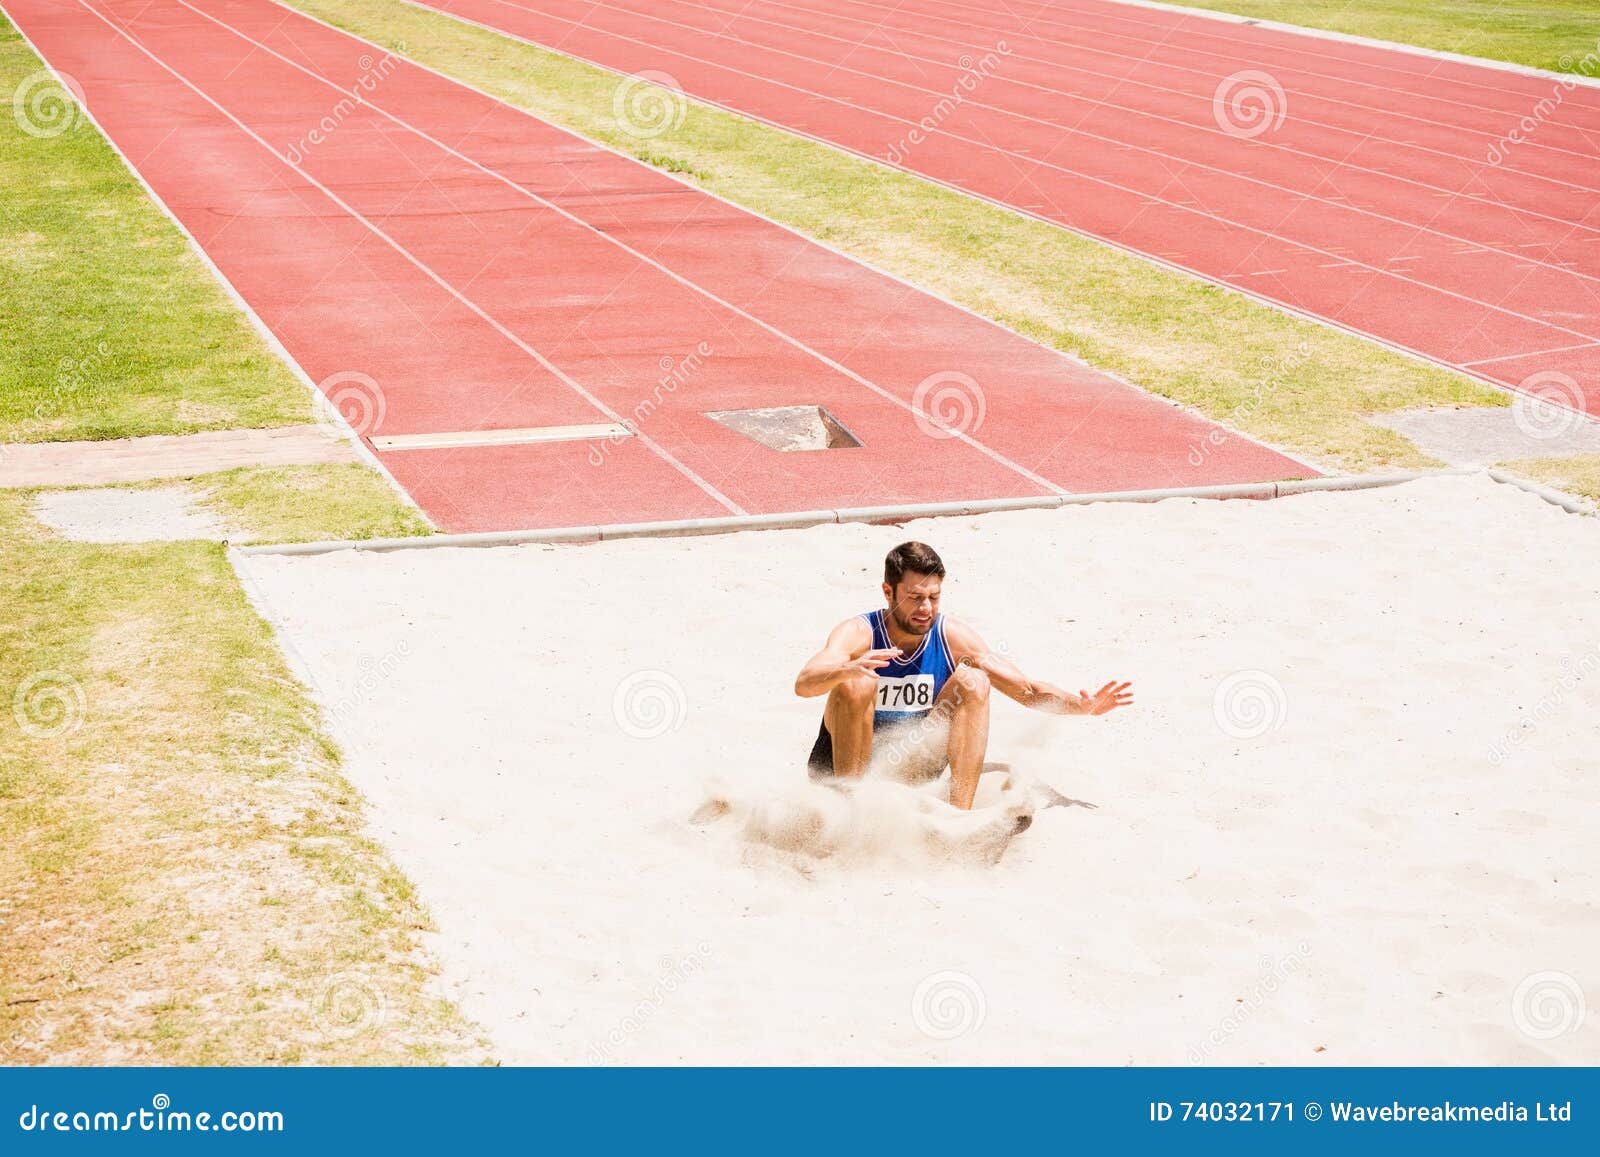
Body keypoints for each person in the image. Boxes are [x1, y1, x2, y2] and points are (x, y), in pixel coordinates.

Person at [794, 541, 1132, 809]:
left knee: (975, 679)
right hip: (843, 770)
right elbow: (804, 683)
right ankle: (851, 813)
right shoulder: (858, 632)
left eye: (933, 597)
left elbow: (1026, 690)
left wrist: (1082, 706)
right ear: (888, 592)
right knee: (859, 680)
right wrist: (847, 668)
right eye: (914, 598)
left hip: (911, 765)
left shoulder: (952, 637)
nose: (925, 608)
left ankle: (958, 816)